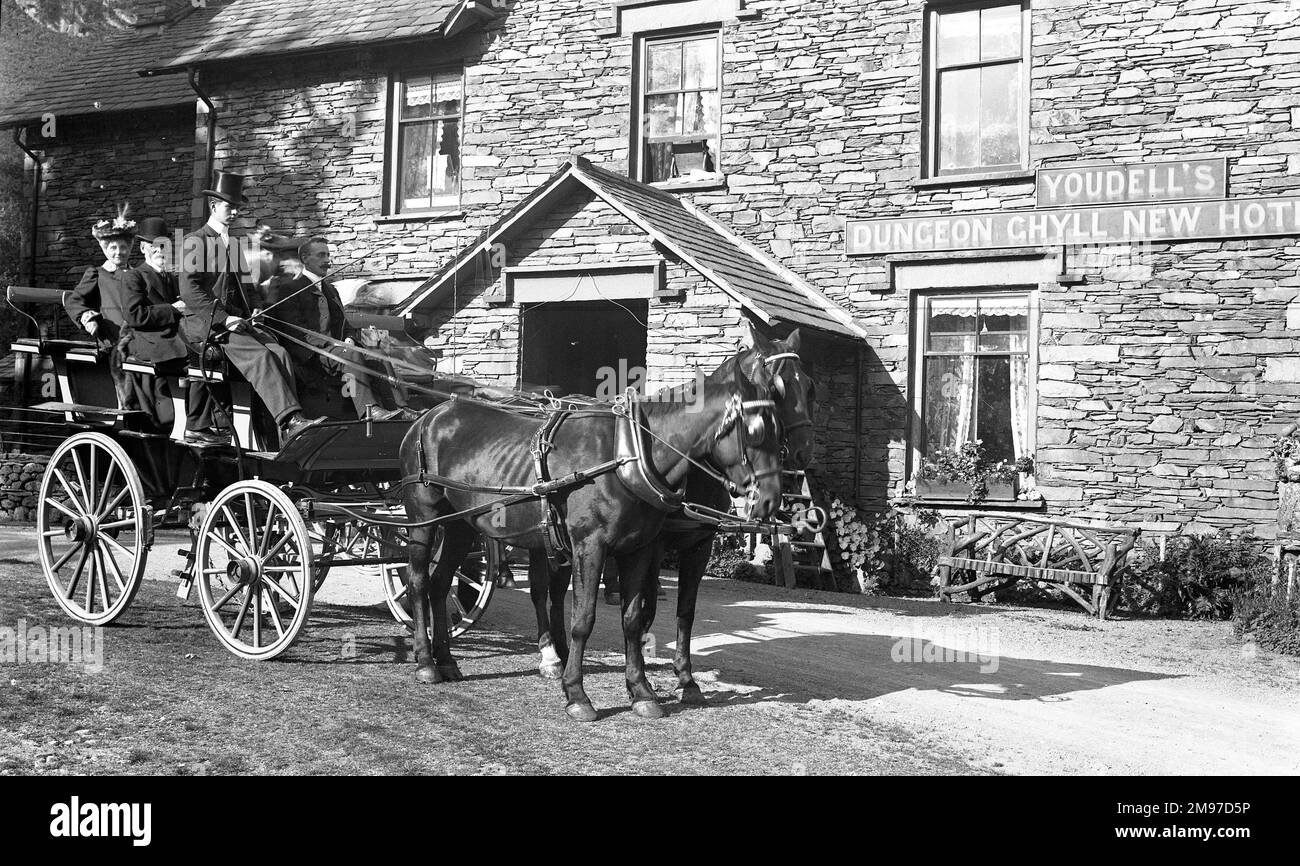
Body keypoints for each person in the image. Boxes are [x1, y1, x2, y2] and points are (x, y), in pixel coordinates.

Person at [177, 170, 320, 442]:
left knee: (279, 352)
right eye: (230, 207)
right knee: (261, 356)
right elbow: (190, 290)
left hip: (237, 323)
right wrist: (225, 318)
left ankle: (289, 432)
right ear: (214, 206)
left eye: (237, 208)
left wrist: (255, 308)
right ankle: (290, 421)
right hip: (209, 327)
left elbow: (248, 288)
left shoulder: (234, 242)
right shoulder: (196, 241)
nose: (234, 213)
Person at [264, 236, 414, 420]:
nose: (327, 260)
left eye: (328, 255)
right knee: (351, 353)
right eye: (321, 255)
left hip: (338, 352)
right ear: (305, 258)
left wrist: (350, 338)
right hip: (312, 355)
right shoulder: (291, 289)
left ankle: (399, 408)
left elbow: (345, 324)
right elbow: (297, 332)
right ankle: (369, 411)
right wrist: (336, 345)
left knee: (378, 354)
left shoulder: (330, 289)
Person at [126, 217, 229, 443]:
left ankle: (220, 417)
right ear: (143, 248)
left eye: (164, 246)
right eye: (155, 247)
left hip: (178, 335)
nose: (161, 251)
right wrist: (172, 309)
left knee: (216, 350)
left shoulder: (173, 276)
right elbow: (135, 316)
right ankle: (196, 426)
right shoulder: (134, 276)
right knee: (203, 357)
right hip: (151, 340)